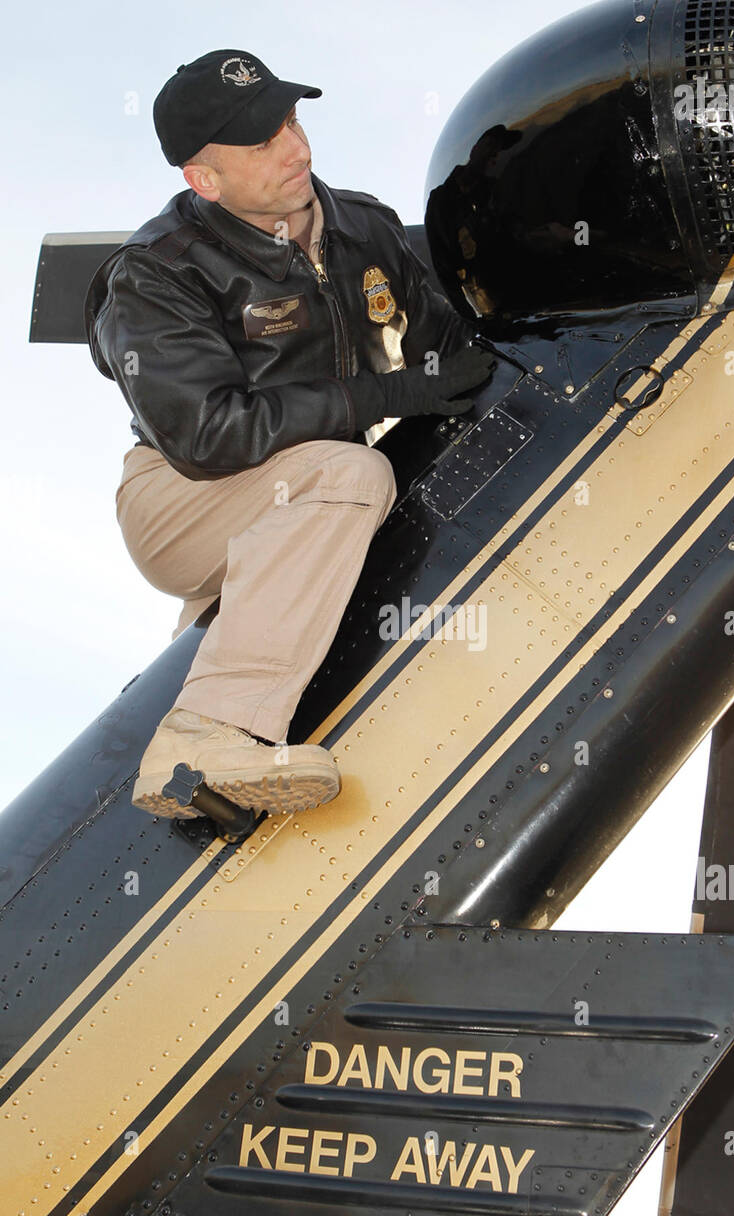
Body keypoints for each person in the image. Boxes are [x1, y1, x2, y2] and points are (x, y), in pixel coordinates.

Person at [85, 49, 493, 821]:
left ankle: (190, 786)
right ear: (204, 180)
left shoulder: (363, 228)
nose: (296, 149)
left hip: (295, 502)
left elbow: (455, 353)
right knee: (354, 475)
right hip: (184, 495)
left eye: (291, 121)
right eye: (261, 142)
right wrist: (389, 392)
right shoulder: (155, 273)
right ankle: (204, 737)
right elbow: (211, 435)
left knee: (334, 507)